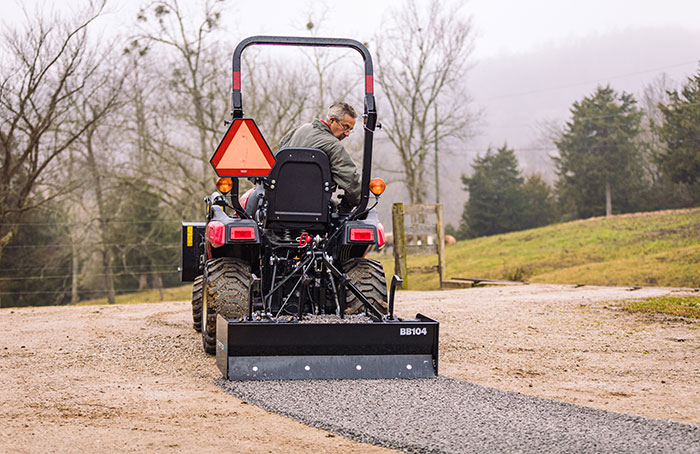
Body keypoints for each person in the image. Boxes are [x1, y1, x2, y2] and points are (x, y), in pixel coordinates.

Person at [277, 102, 361, 212]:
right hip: (314, 209)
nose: (347, 133)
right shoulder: (334, 146)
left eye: (350, 129)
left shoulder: (300, 129)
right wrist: (350, 203)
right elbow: (350, 180)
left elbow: (279, 153)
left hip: (280, 203)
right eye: (345, 127)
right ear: (331, 120)